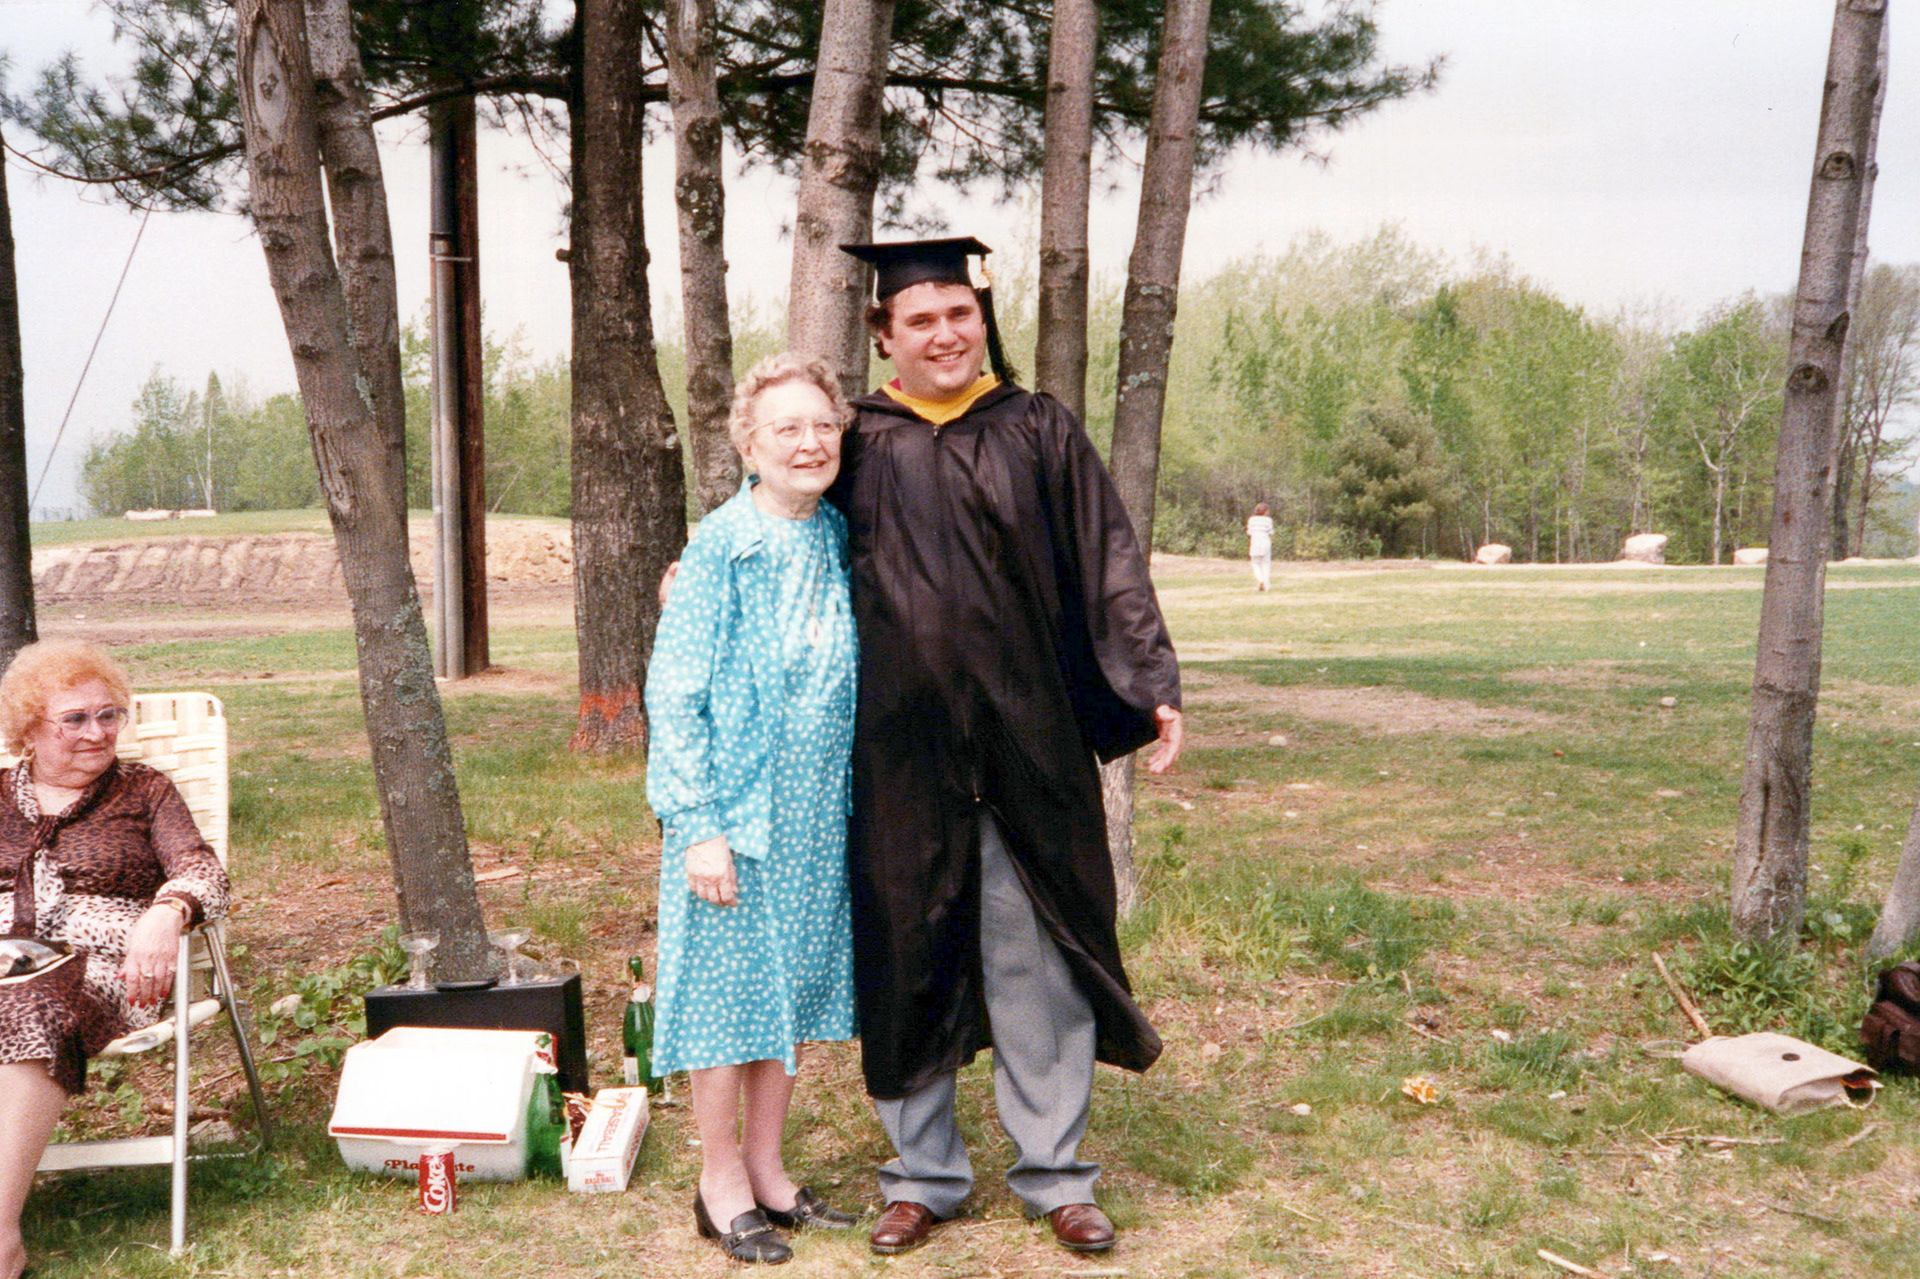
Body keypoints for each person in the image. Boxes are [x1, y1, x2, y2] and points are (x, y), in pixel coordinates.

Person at [832, 237, 1184, 1256]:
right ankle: (921, 1175)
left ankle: (1057, 1173)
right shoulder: (856, 441)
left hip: (1027, 738)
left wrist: (1151, 683)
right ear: (883, 335)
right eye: (921, 319)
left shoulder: (1037, 430)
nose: (945, 334)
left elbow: (1108, 561)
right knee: (907, 949)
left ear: (982, 319)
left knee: (1038, 956)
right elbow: (776, 536)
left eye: (960, 314)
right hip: (897, 750)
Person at [644, 352, 862, 1265]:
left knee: (787, 995)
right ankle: (720, 1181)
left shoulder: (837, 534)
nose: (810, 442)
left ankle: (771, 1170)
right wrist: (697, 827)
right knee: (723, 1004)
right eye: (788, 428)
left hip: (818, 815)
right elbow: (674, 693)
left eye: (824, 425)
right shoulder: (719, 548)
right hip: (733, 818)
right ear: (748, 443)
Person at [0, 640, 229, 1279]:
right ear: (29, 730)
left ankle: (0, 1240)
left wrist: (166, 912)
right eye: (74, 719)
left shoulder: (145, 791)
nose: (97, 732)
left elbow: (201, 868)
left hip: (105, 966)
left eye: (109, 714)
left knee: (33, 1009)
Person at [1247, 502, 1274, 591]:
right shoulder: (1268, 520)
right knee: (1266, 564)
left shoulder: (1252, 520)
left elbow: (1249, 533)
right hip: (1265, 541)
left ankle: (1260, 579)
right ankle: (1266, 585)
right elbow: (1270, 533)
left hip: (1255, 541)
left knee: (1255, 563)